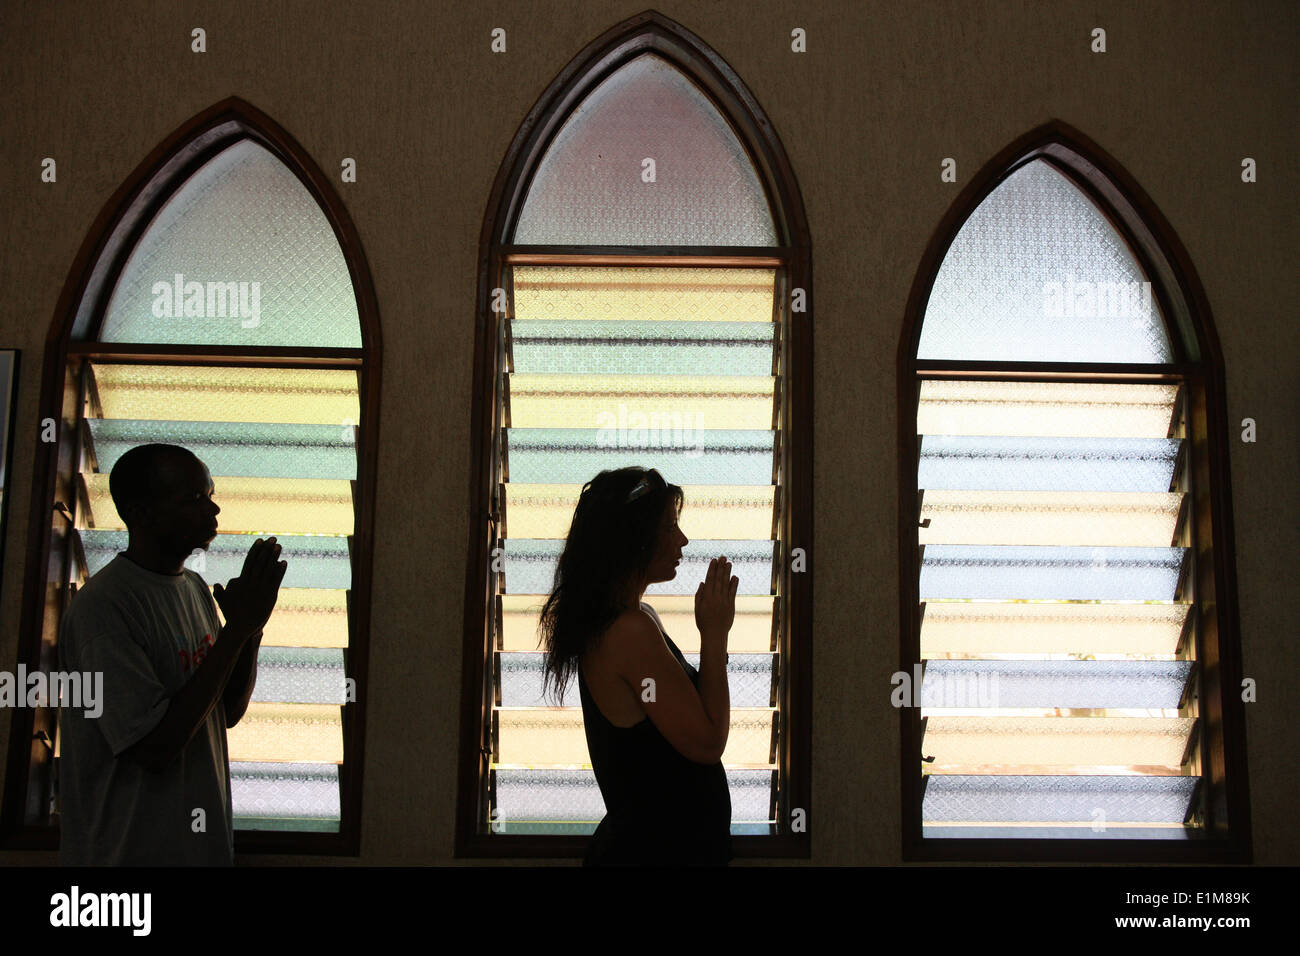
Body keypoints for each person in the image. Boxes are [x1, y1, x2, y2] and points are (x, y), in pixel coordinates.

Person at [57, 442, 286, 865]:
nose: (213, 511)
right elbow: (154, 749)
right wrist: (235, 631)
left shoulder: (194, 590)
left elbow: (225, 712)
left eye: (210, 495)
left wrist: (251, 629)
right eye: (195, 499)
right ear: (142, 514)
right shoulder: (105, 608)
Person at [539, 467, 737, 865]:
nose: (682, 540)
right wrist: (714, 636)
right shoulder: (628, 631)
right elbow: (707, 742)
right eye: (669, 528)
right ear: (634, 539)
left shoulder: (634, 618)